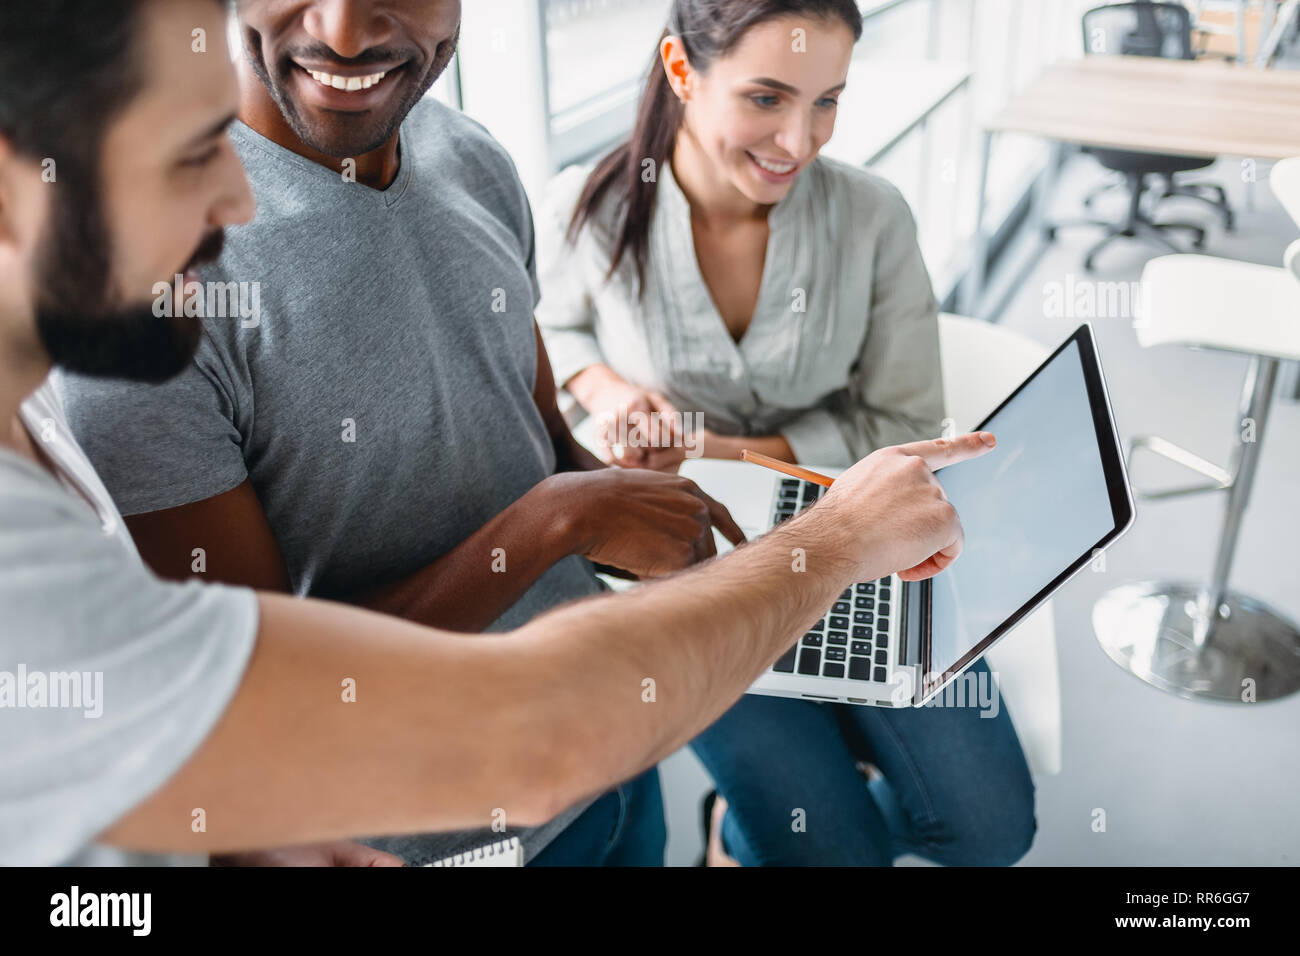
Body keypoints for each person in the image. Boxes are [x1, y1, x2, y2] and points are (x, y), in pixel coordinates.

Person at [0, 0, 993, 867]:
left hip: (614, 769)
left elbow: (537, 439)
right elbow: (326, 704)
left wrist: (613, 497)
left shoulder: (470, 156)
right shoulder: (144, 327)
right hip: (440, 823)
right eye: (191, 148)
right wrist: (815, 537)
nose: (239, 194)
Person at [536, 0, 1036, 866]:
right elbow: (557, 330)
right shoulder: (588, 205)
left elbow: (904, 428)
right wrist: (608, 388)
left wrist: (708, 447)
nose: (799, 143)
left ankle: (743, 835)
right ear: (682, 70)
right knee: (828, 853)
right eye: (766, 98)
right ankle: (739, 839)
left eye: (827, 101)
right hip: (691, 568)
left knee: (991, 832)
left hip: (866, 542)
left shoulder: (874, 219)